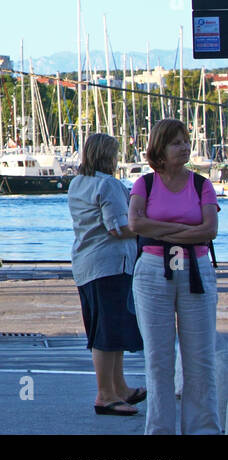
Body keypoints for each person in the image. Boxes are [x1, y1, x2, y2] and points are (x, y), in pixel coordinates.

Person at [128, 118, 220, 434]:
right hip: (153, 272)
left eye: (185, 140)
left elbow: (209, 231)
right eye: (176, 142)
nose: (184, 147)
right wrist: (184, 231)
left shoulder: (202, 185)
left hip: (197, 270)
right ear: (160, 149)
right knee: (158, 360)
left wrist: (165, 232)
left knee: (200, 359)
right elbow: (136, 224)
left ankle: (204, 429)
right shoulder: (145, 184)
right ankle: (160, 431)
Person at [68, 133, 144, 418]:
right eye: (115, 154)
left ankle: (119, 387)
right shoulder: (108, 184)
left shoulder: (77, 183)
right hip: (110, 265)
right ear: (107, 156)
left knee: (107, 328)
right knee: (107, 332)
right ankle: (106, 395)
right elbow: (118, 228)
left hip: (86, 263)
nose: (117, 159)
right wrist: (151, 227)